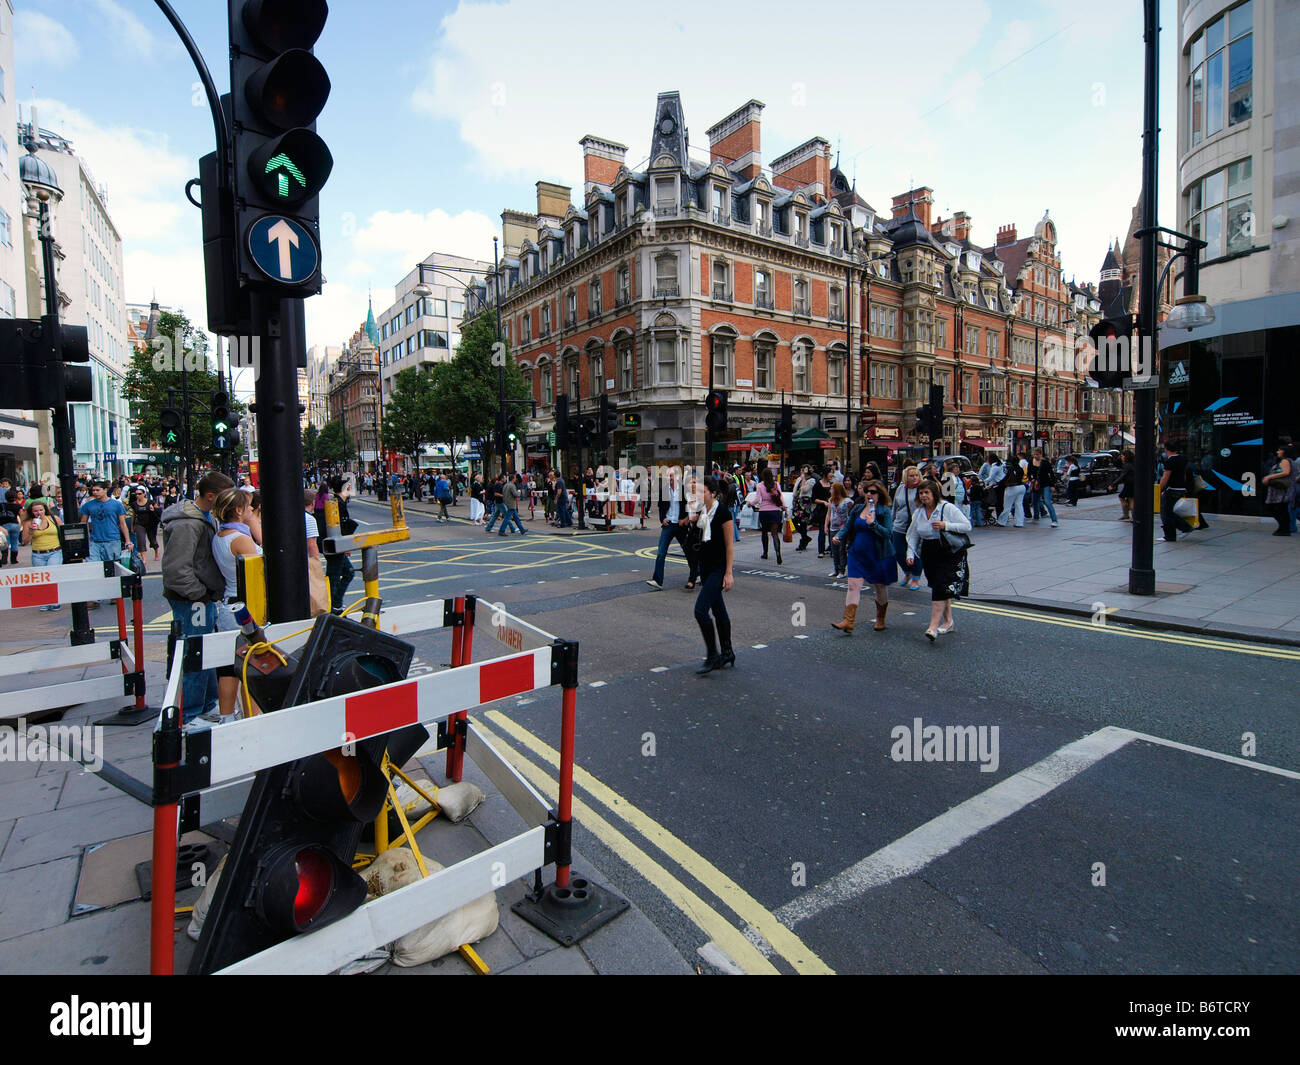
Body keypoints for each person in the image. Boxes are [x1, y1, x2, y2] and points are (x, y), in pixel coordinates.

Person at [161, 471, 233, 723]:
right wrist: (200, 593)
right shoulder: (188, 524)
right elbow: (177, 570)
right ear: (211, 496)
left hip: (201, 597)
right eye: (224, 498)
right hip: (192, 600)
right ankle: (190, 714)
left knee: (206, 651)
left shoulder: (203, 518)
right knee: (196, 654)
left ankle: (204, 705)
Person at [211, 488, 264, 721]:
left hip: (227, 606)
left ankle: (226, 716)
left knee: (228, 668)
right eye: (249, 506)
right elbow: (260, 569)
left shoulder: (220, 535)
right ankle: (251, 719)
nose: (252, 509)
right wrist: (254, 523)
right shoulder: (241, 539)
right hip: (244, 608)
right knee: (249, 667)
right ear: (239, 510)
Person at [905, 479, 972, 641]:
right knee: (939, 587)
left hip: (947, 551)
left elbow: (966, 526)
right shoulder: (919, 512)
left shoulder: (947, 508)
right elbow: (913, 535)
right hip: (929, 552)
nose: (923, 496)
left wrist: (945, 525)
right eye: (921, 493)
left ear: (935, 493)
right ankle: (948, 621)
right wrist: (910, 554)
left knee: (940, 587)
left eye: (926, 492)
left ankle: (933, 627)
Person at [831, 479, 899, 633]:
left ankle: (880, 618)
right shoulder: (858, 508)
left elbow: (888, 533)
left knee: (879, 587)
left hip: (878, 554)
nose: (869, 494)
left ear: (879, 494)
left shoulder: (884, 511)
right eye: (867, 491)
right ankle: (848, 621)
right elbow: (848, 526)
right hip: (857, 553)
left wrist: (873, 524)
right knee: (853, 585)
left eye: (873, 492)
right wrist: (839, 536)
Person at [689, 476, 736, 675]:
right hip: (705, 568)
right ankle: (727, 652)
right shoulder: (702, 512)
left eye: (703, 492)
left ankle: (713, 655)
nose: (699, 494)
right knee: (719, 611)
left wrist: (729, 573)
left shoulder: (723, 513)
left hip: (718, 568)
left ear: (713, 493)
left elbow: (729, 545)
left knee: (700, 611)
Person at [646, 467, 697, 590]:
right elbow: (661, 507)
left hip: (681, 525)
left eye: (671, 476)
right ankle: (658, 580)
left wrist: (685, 520)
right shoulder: (663, 490)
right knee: (661, 553)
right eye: (667, 476)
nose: (669, 478)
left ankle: (696, 575)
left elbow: (690, 507)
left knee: (688, 551)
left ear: (678, 477)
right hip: (668, 525)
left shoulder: (684, 490)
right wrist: (662, 519)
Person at [81, 482, 131, 603]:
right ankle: (94, 598)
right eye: (93, 490)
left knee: (112, 568)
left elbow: (122, 523)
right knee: (93, 568)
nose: (95, 493)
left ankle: (114, 594)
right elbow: (83, 524)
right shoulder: (88, 505)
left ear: (105, 490)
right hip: (95, 541)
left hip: (112, 540)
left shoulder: (116, 504)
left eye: (97, 490)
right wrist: (84, 542)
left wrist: (128, 541)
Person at [21, 501, 63, 610]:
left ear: (45, 510)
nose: (38, 513)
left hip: (55, 551)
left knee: (52, 575)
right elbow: (24, 542)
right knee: (41, 579)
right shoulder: (29, 523)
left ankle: (54, 601)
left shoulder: (54, 519)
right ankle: (44, 601)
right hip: (38, 554)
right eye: (35, 511)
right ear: (32, 512)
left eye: (40, 510)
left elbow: (64, 533)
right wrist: (31, 531)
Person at [891, 464, 926, 589]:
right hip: (899, 525)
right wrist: (891, 521)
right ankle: (907, 572)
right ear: (906, 477)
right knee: (898, 552)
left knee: (915, 552)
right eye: (911, 476)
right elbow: (895, 506)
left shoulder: (922, 489)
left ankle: (916, 577)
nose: (914, 478)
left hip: (915, 526)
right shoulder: (901, 489)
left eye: (916, 475)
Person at [325, 475, 356, 612]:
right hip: (335, 547)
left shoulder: (337, 502)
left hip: (336, 546)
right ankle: (334, 606)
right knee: (337, 576)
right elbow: (340, 528)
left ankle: (335, 604)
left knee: (344, 573)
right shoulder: (337, 504)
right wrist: (345, 545)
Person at [1158, 441, 1194, 542]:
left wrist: (1160, 488)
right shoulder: (1182, 459)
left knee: (1165, 513)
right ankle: (1183, 528)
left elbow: (1165, 477)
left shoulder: (1170, 461)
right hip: (1181, 488)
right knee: (1170, 512)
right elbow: (1185, 475)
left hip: (1172, 489)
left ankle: (1173, 533)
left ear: (1166, 449)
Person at [1263, 443, 1295, 537]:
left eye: (1279, 450)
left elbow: (1286, 472)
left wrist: (1269, 477)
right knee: (1282, 509)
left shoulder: (1285, 461)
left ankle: (1284, 528)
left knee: (1276, 508)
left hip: (1281, 490)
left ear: (1284, 452)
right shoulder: (1289, 461)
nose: (1277, 452)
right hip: (1283, 489)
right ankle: (1284, 528)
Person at [755, 468, 784, 564]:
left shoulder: (759, 485)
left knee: (764, 533)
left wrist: (750, 503)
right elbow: (780, 497)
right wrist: (783, 506)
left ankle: (765, 553)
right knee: (774, 534)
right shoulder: (776, 484)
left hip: (764, 511)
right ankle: (778, 553)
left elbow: (757, 499)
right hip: (775, 511)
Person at [825, 481, 853, 580]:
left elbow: (851, 514)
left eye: (832, 488)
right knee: (834, 550)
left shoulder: (847, 501)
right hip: (833, 527)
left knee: (842, 550)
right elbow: (829, 513)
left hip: (842, 528)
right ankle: (836, 569)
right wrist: (826, 525)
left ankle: (842, 570)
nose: (830, 490)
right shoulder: (831, 501)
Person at [129, 484, 162, 562]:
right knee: (141, 541)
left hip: (150, 524)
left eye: (139, 494)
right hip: (139, 524)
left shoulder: (151, 502)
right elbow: (133, 516)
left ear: (144, 494)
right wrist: (132, 527)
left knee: (152, 540)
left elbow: (159, 512)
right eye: (136, 494)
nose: (137, 495)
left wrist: (153, 509)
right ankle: (144, 559)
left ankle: (156, 552)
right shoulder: (134, 504)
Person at [998, 458, 1026, 528]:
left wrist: (999, 483)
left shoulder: (1011, 468)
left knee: (1007, 506)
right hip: (1022, 487)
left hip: (1012, 488)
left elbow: (1006, 478)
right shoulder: (1020, 469)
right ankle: (1019, 523)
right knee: (1019, 505)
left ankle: (1002, 522)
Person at [793, 467, 816, 551]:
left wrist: (803, 480)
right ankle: (805, 537)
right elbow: (795, 490)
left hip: (805, 501)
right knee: (795, 520)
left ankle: (803, 541)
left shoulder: (811, 480)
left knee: (803, 522)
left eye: (803, 470)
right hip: (798, 501)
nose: (801, 472)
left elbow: (804, 490)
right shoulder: (799, 479)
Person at [0, 488, 24, 566]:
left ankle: (4, 559)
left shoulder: (2, 505)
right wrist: (22, 524)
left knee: (5, 543)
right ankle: (14, 559)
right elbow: (22, 515)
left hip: (4, 526)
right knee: (14, 542)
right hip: (15, 525)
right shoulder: (18, 506)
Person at [1116, 449, 1136, 521]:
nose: (1121, 458)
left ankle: (1131, 516)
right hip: (1131, 484)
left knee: (1130, 499)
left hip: (1130, 484)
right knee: (1125, 498)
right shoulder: (1132, 464)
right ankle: (1126, 515)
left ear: (1125, 457)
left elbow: (1122, 476)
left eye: (1122, 456)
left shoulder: (1127, 465)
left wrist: (1113, 484)